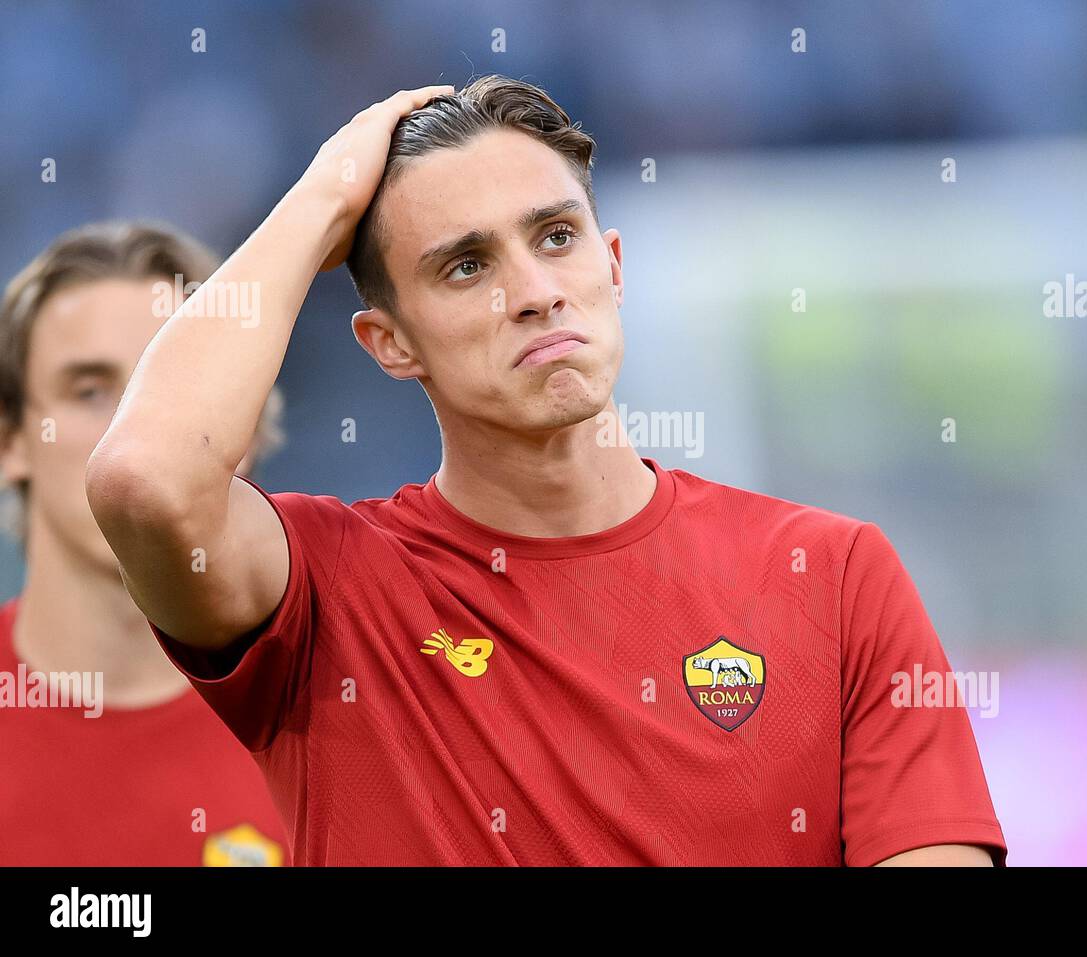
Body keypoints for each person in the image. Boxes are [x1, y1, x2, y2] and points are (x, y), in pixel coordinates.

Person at [85, 76, 1007, 866]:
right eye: (465, 265)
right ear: (389, 341)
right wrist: (323, 199)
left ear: (612, 265)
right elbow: (145, 481)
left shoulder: (832, 575)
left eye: (556, 236)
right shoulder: (327, 589)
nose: (533, 291)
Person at [0, 222, 287, 866]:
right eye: (91, 391)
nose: (134, 435)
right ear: (10, 438)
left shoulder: (347, 728)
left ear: (246, 435)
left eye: (176, 388)